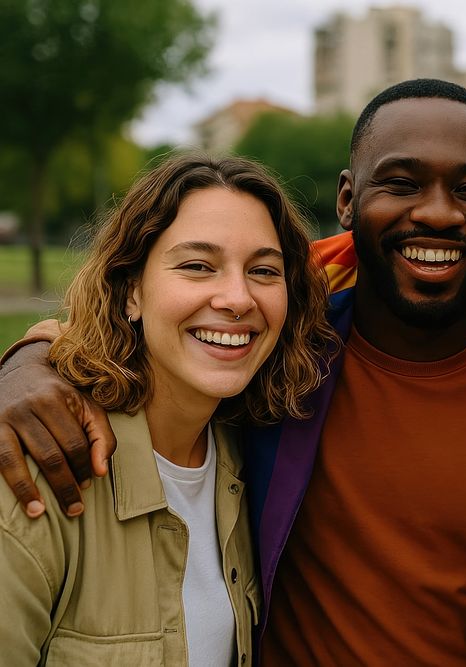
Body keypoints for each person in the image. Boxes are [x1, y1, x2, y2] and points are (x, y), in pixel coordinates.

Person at [0, 79, 466, 665]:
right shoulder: (293, 355)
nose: (436, 211)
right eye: (401, 183)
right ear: (347, 200)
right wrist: (27, 365)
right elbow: (128, 335)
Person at [0, 153, 334, 664]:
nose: (237, 297)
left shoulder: (253, 452)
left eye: (264, 270)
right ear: (131, 289)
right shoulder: (39, 468)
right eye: (198, 266)